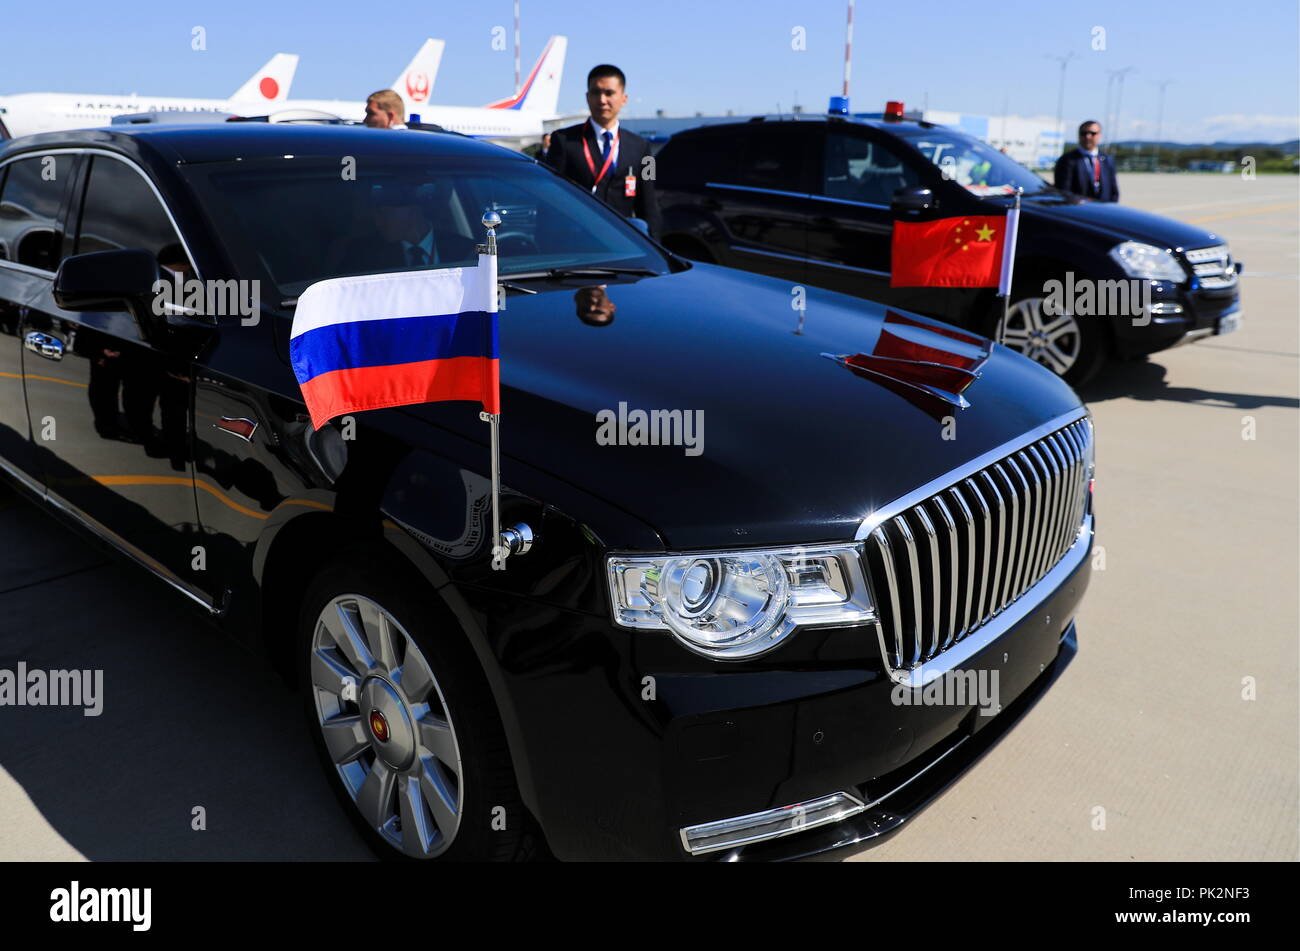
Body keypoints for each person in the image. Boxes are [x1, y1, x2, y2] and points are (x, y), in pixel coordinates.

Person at [544, 65, 661, 235]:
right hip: (577, 238)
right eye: (595, 92)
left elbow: (649, 203)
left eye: (609, 93)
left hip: (622, 242)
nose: (602, 100)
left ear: (624, 98)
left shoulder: (642, 147)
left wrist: (657, 250)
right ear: (587, 97)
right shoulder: (563, 141)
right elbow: (550, 198)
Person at [1054, 120, 1119, 202]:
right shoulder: (1067, 160)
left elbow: (1113, 191)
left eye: (1093, 133)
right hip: (1080, 211)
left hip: (1104, 210)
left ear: (1099, 135)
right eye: (1083, 133)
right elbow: (1063, 191)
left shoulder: (1107, 160)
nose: (1088, 137)